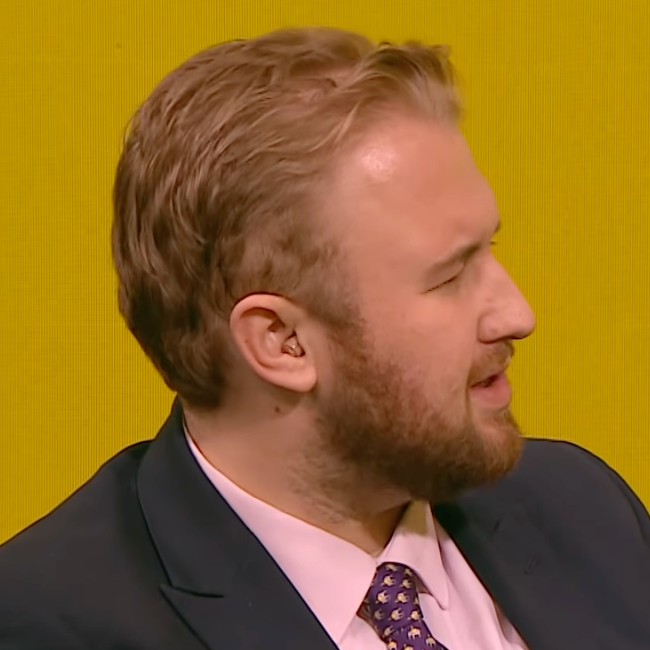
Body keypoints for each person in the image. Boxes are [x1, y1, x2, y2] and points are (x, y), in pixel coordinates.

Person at [0, 25, 649, 650]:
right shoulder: (49, 624)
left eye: (491, 250)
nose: (517, 314)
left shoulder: (584, 508)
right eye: (451, 276)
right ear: (283, 342)